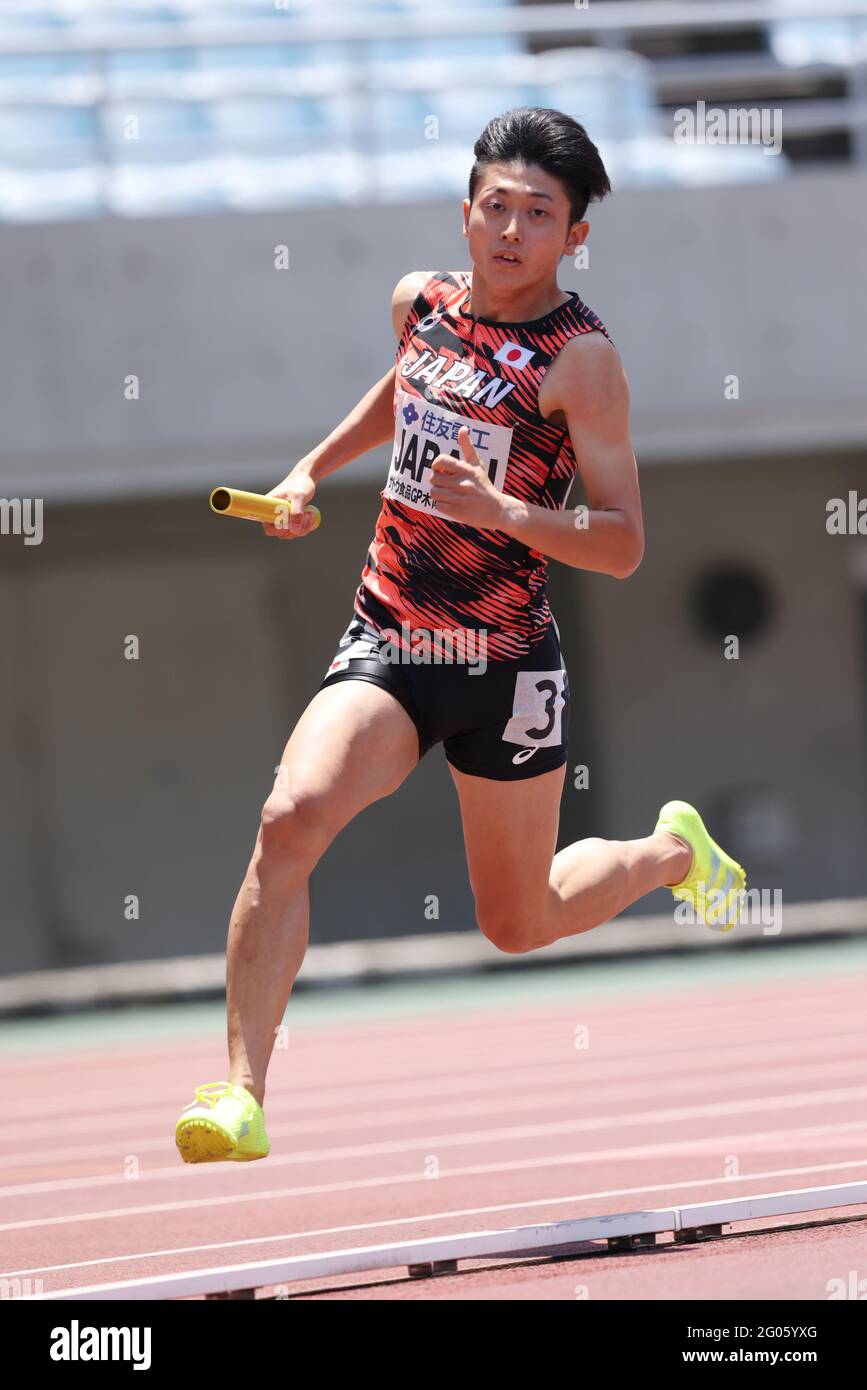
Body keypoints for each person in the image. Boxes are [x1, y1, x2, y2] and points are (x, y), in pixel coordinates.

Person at [175, 107, 745, 1165]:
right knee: (290, 815)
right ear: (467, 208)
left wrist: (512, 517)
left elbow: (622, 545)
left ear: (576, 234)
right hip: (392, 638)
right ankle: (241, 1091)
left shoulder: (580, 364)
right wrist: (311, 469)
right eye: (497, 206)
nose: (513, 230)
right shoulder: (422, 303)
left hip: (505, 662)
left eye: (541, 214)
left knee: (517, 921)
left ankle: (672, 853)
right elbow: (406, 387)